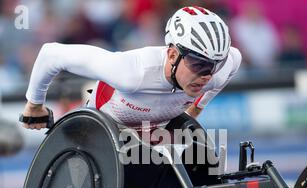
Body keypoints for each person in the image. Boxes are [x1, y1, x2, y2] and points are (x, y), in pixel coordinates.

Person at [20, 6, 242, 132]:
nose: (207, 75)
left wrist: (196, 109)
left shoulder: (219, 69)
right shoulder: (132, 72)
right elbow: (51, 54)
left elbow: (234, 60)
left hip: (152, 134)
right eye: (198, 64)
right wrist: (35, 105)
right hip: (102, 130)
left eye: (216, 64)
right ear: (173, 54)